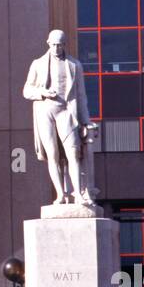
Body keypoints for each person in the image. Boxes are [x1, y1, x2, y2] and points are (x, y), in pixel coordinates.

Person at [22, 28, 99, 208]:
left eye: (60, 45)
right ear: (48, 43)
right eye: (54, 45)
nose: (56, 48)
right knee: (53, 155)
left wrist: (86, 121)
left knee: (73, 152)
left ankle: (78, 194)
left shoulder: (74, 65)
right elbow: (26, 90)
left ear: (65, 45)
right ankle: (61, 194)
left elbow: (81, 96)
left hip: (66, 111)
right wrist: (42, 92)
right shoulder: (38, 64)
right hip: (46, 110)